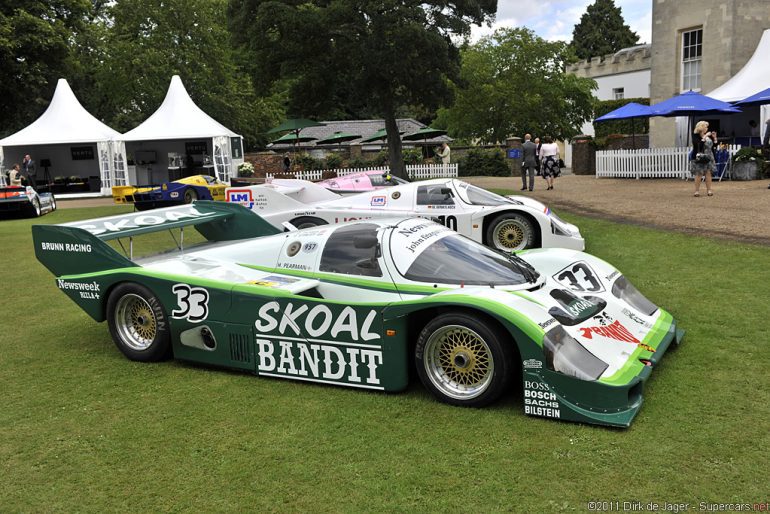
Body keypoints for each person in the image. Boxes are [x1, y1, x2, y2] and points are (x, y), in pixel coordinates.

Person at [689, 120, 714, 197]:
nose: (707, 128)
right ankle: (696, 191)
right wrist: (705, 136)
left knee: (708, 173)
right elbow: (698, 145)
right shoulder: (695, 135)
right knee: (699, 174)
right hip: (698, 157)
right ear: (702, 127)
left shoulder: (708, 135)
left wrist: (714, 138)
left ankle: (709, 190)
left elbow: (711, 146)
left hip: (708, 157)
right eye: (706, 126)